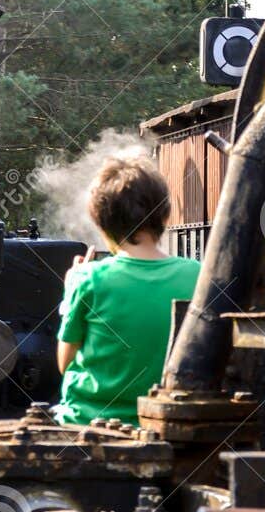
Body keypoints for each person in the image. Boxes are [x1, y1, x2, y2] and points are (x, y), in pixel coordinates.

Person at [55, 155, 201, 427]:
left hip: (89, 424)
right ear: (165, 215)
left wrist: (69, 294)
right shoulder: (198, 276)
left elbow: (65, 363)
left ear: (101, 222)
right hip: (172, 423)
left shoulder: (88, 279)